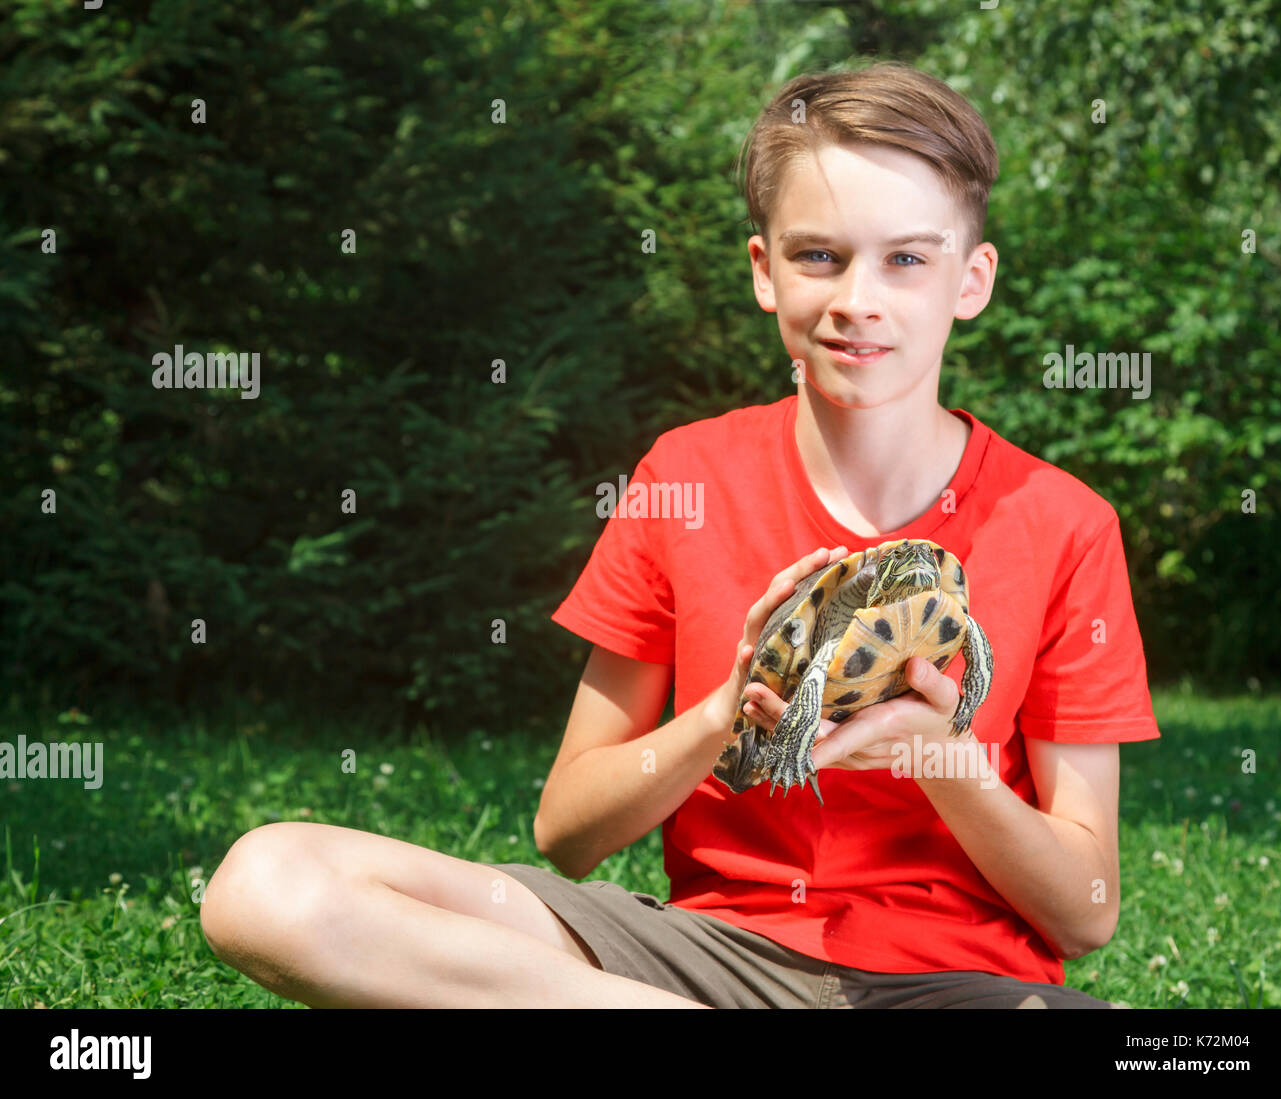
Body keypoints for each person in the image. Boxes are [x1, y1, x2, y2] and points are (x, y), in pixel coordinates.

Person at [199, 61, 1160, 1009]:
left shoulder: (1063, 520)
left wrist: (934, 752)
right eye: (819, 255)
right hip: (700, 958)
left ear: (971, 280)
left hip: (954, 984)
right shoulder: (686, 478)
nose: (856, 298)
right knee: (269, 884)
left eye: (906, 258)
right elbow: (568, 831)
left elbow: (1086, 910)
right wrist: (720, 713)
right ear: (764, 271)